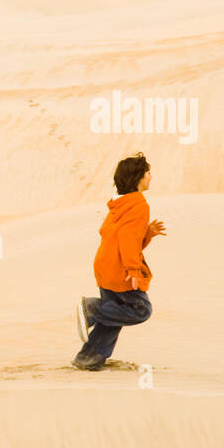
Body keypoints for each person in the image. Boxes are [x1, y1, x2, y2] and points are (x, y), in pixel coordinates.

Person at [73, 153, 165, 371]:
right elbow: (127, 240)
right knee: (140, 310)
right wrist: (133, 269)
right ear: (138, 178)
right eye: (148, 173)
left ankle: (89, 358)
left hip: (106, 265)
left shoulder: (120, 204)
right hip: (120, 269)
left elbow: (118, 235)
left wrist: (147, 233)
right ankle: (91, 309)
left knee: (113, 314)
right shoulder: (139, 205)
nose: (151, 177)